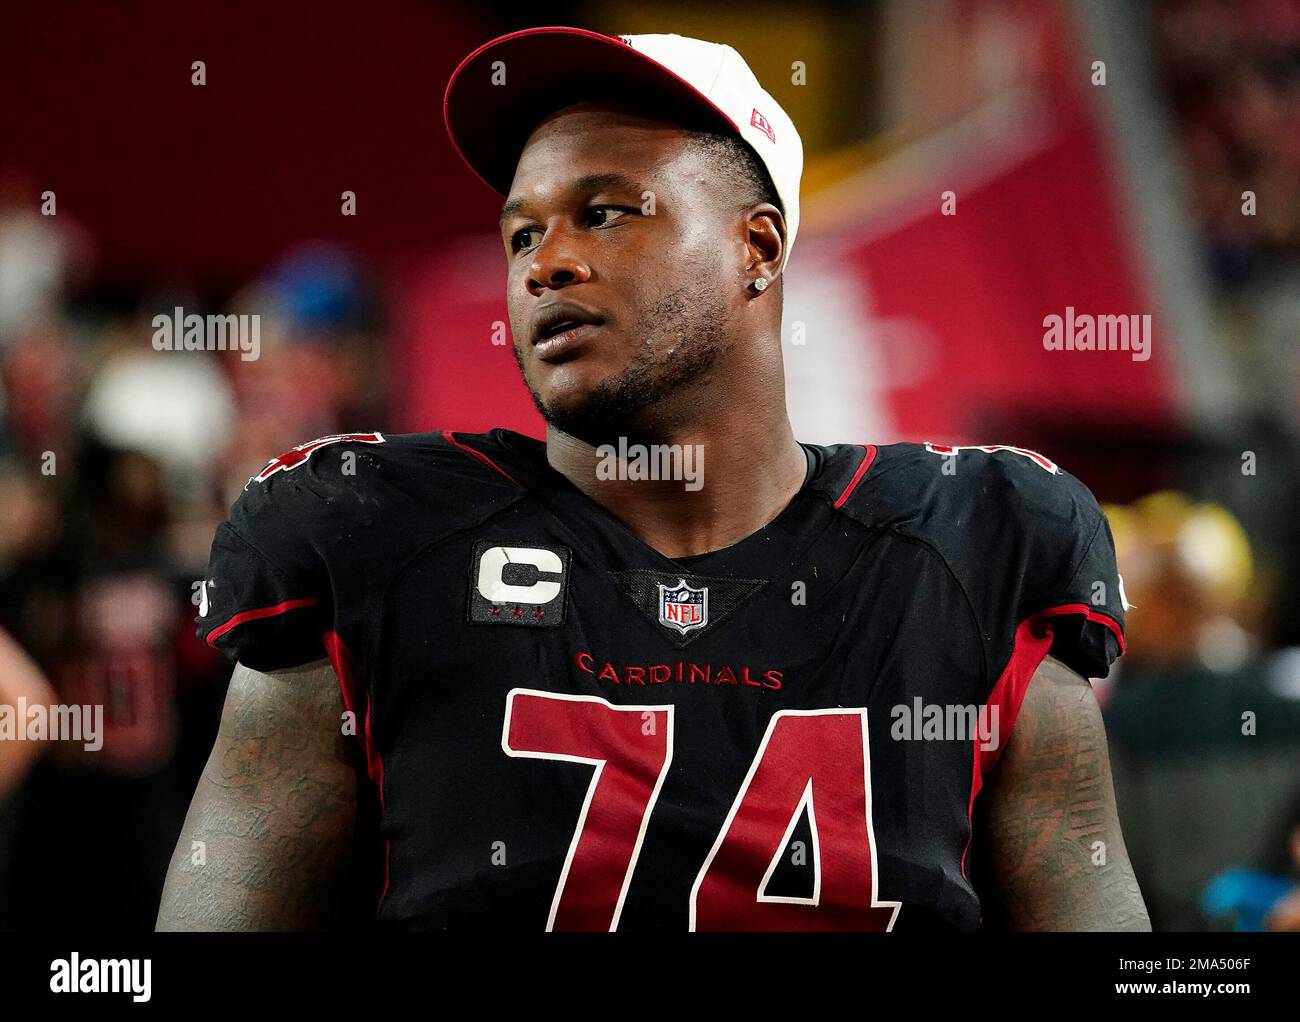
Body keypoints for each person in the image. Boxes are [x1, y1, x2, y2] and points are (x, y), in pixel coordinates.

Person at [157, 28, 1149, 931]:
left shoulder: (976, 543)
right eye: (521, 233)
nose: (546, 263)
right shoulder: (365, 532)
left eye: (601, 212)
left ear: (755, 247)